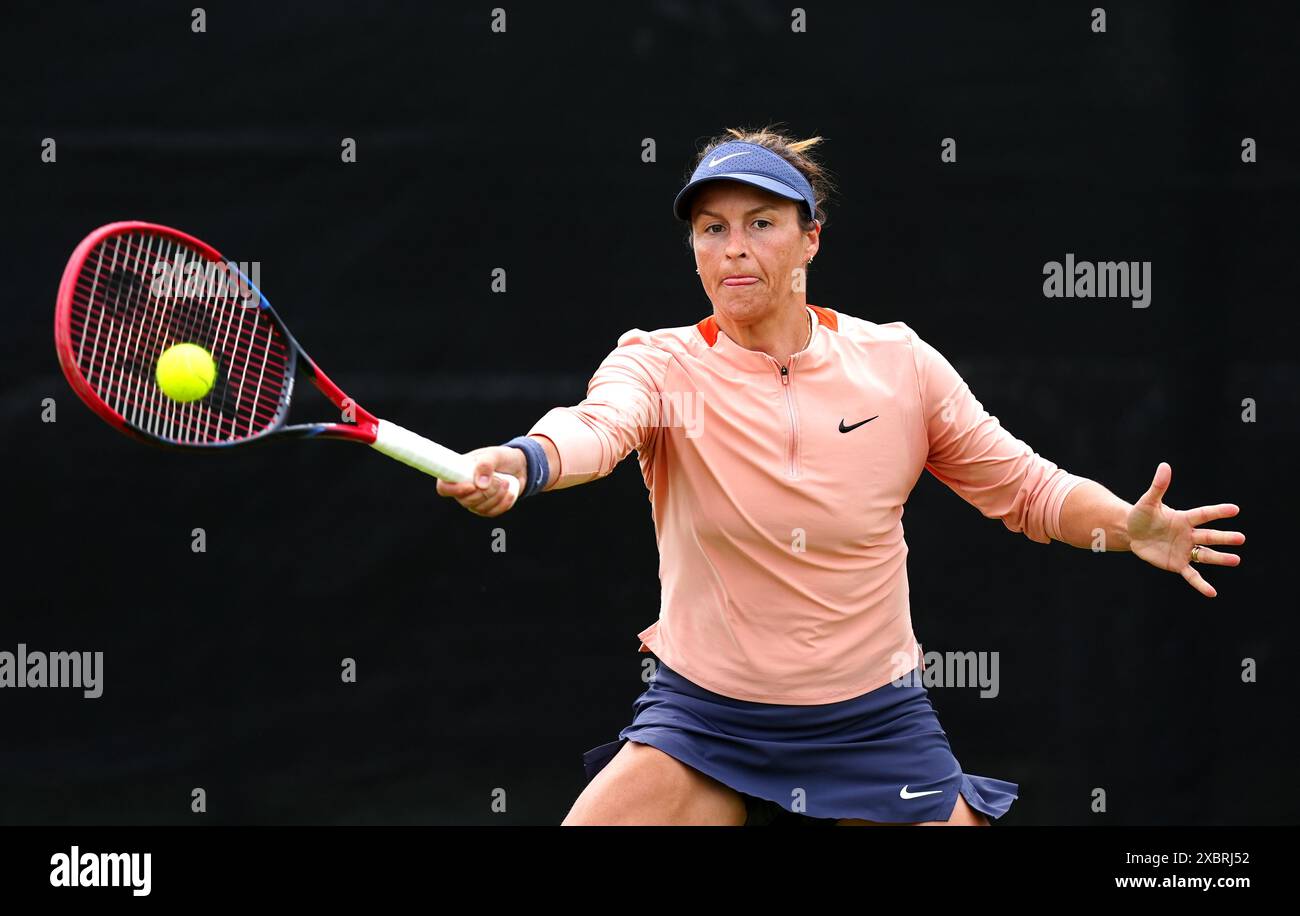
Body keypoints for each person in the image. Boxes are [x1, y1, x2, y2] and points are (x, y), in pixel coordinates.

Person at [436, 125, 1246, 826]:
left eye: (761, 223)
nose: (735, 249)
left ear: (811, 236)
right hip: (705, 720)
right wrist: (521, 463)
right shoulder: (660, 365)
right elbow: (595, 429)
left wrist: (1123, 524)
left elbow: (1028, 489)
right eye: (712, 229)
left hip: (874, 724)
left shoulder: (898, 365)